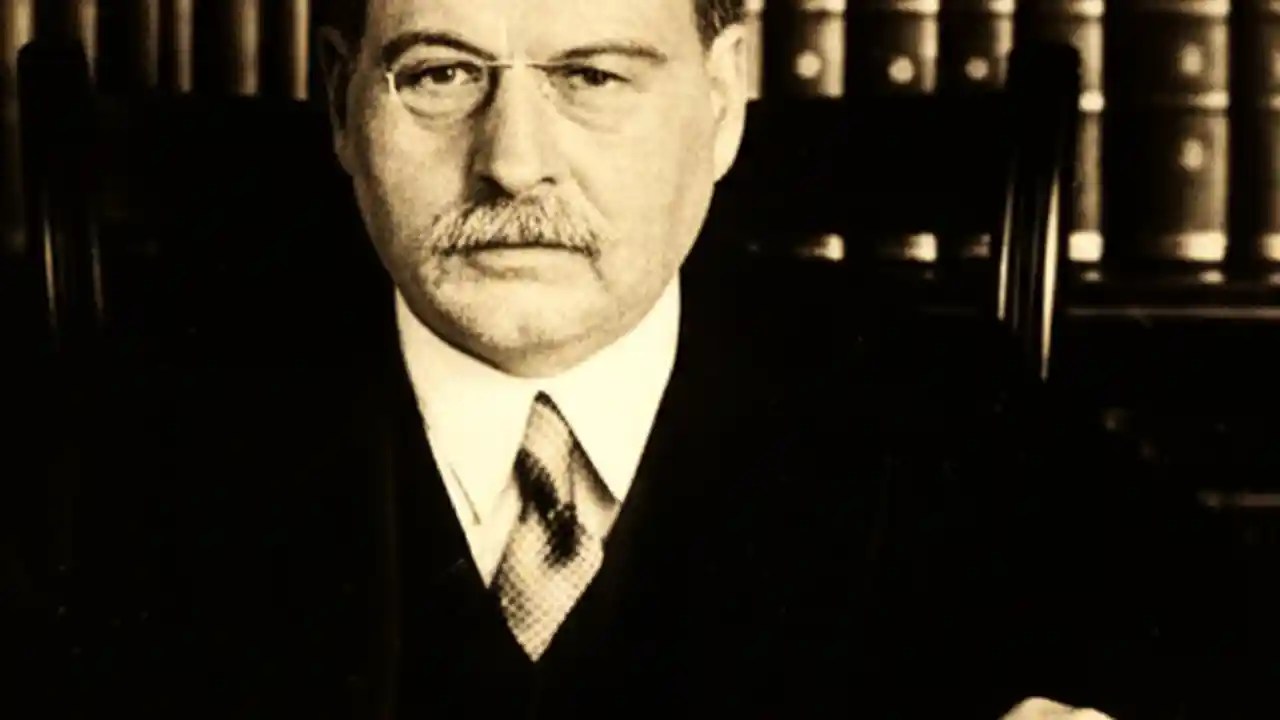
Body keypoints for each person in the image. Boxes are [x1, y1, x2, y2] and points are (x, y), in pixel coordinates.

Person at [45, 0, 1260, 717]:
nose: (511, 160)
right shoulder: (106, 453)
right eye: (440, 75)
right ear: (338, 105)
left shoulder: (952, 420)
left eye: (591, 76)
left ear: (721, 103)